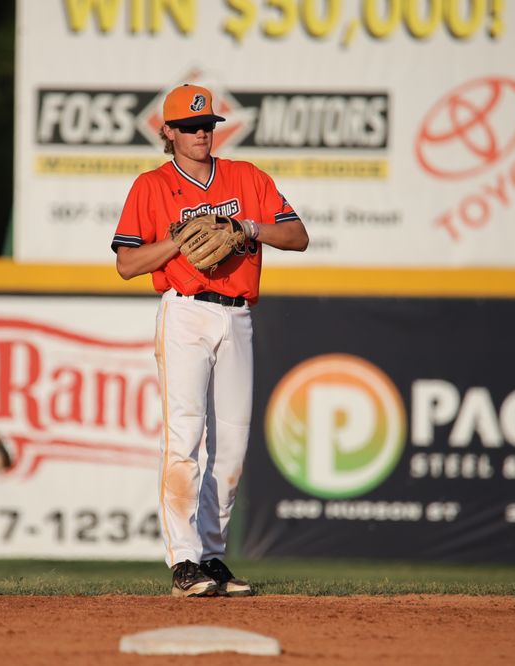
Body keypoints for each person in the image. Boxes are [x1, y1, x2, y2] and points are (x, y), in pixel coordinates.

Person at [111, 84, 309, 597]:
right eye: (191, 126)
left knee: (233, 446)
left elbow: (297, 236)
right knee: (185, 438)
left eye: (208, 126)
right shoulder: (151, 186)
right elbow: (127, 264)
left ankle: (212, 556)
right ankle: (183, 562)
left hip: (238, 315)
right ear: (169, 133)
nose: (202, 133)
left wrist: (247, 227)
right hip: (185, 312)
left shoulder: (246, 177)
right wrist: (178, 239)